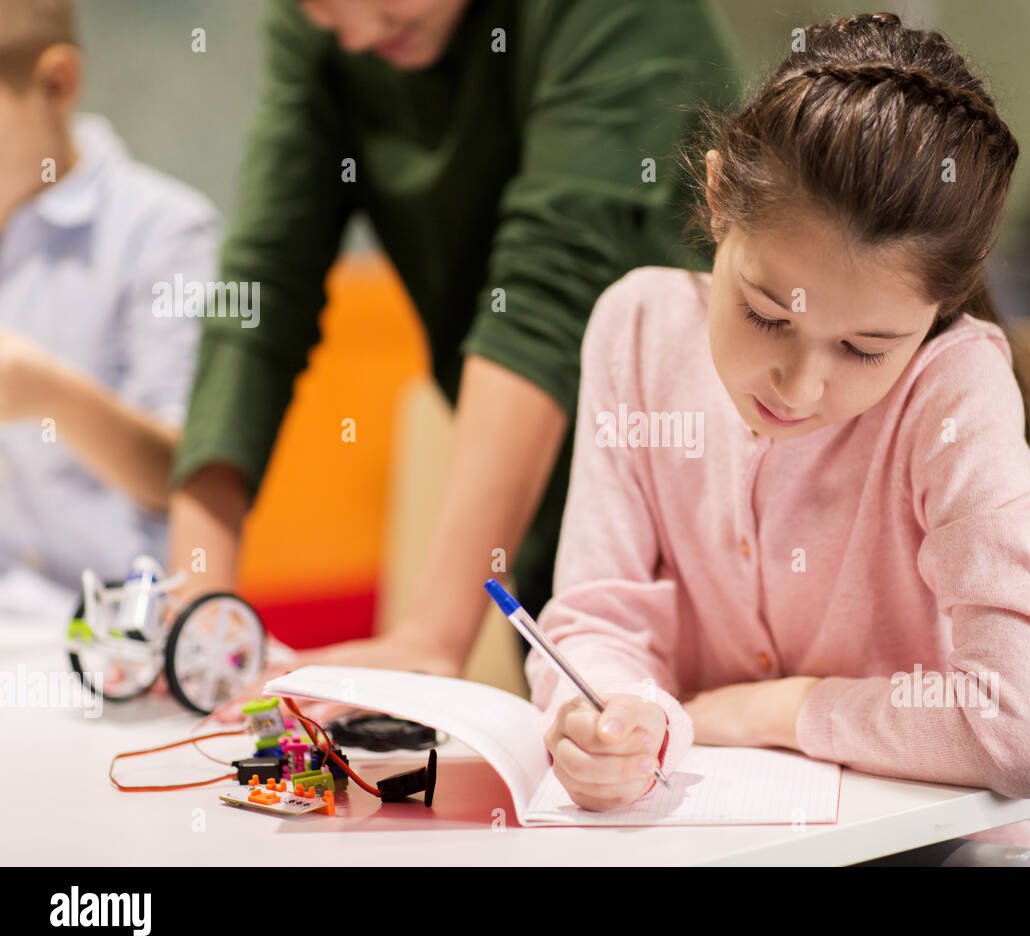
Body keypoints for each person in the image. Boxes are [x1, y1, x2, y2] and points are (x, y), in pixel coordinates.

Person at [528, 12, 1030, 867]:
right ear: (718, 199)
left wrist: (772, 710)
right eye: (765, 315)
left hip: (942, 850)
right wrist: (609, 716)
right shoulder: (635, 329)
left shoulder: (954, 385)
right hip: (710, 840)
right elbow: (597, 615)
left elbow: (1029, 730)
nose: (801, 387)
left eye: (867, 349)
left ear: (938, 308)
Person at [170, 0, 740, 686]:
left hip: (716, 509)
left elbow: (551, 282)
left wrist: (432, 634)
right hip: (557, 530)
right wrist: (195, 619)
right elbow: (265, 282)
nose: (351, 32)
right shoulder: (328, 27)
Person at [0, 0, 216, 616]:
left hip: (118, 636)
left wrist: (45, 392)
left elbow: (182, 475)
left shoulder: (163, 231)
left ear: (55, 84)